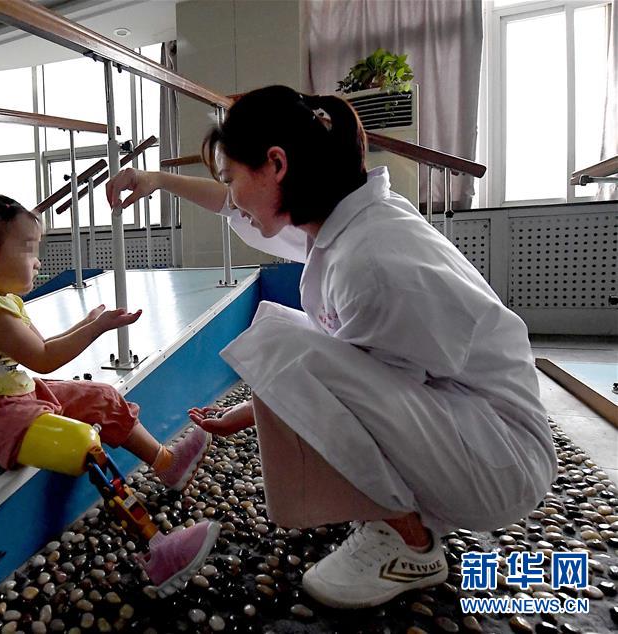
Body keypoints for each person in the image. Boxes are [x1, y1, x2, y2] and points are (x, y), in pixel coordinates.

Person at [105, 85, 557, 609]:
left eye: (233, 178)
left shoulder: (371, 262)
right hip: (467, 428)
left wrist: (267, 401)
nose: (233, 200)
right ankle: (391, 513)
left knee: (279, 342)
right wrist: (154, 180)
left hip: (496, 461)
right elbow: (372, 382)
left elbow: (366, 392)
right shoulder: (345, 222)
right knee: (289, 346)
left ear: (276, 164)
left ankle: (409, 540)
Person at [0, 194, 218, 595]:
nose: (38, 260)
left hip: (13, 395)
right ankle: (156, 547)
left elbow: (40, 347)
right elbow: (44, 358)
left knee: (102, 396)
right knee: (82, 443)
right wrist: (95, 330)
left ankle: (165, 462)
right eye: (29, 250)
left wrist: (85, 323)